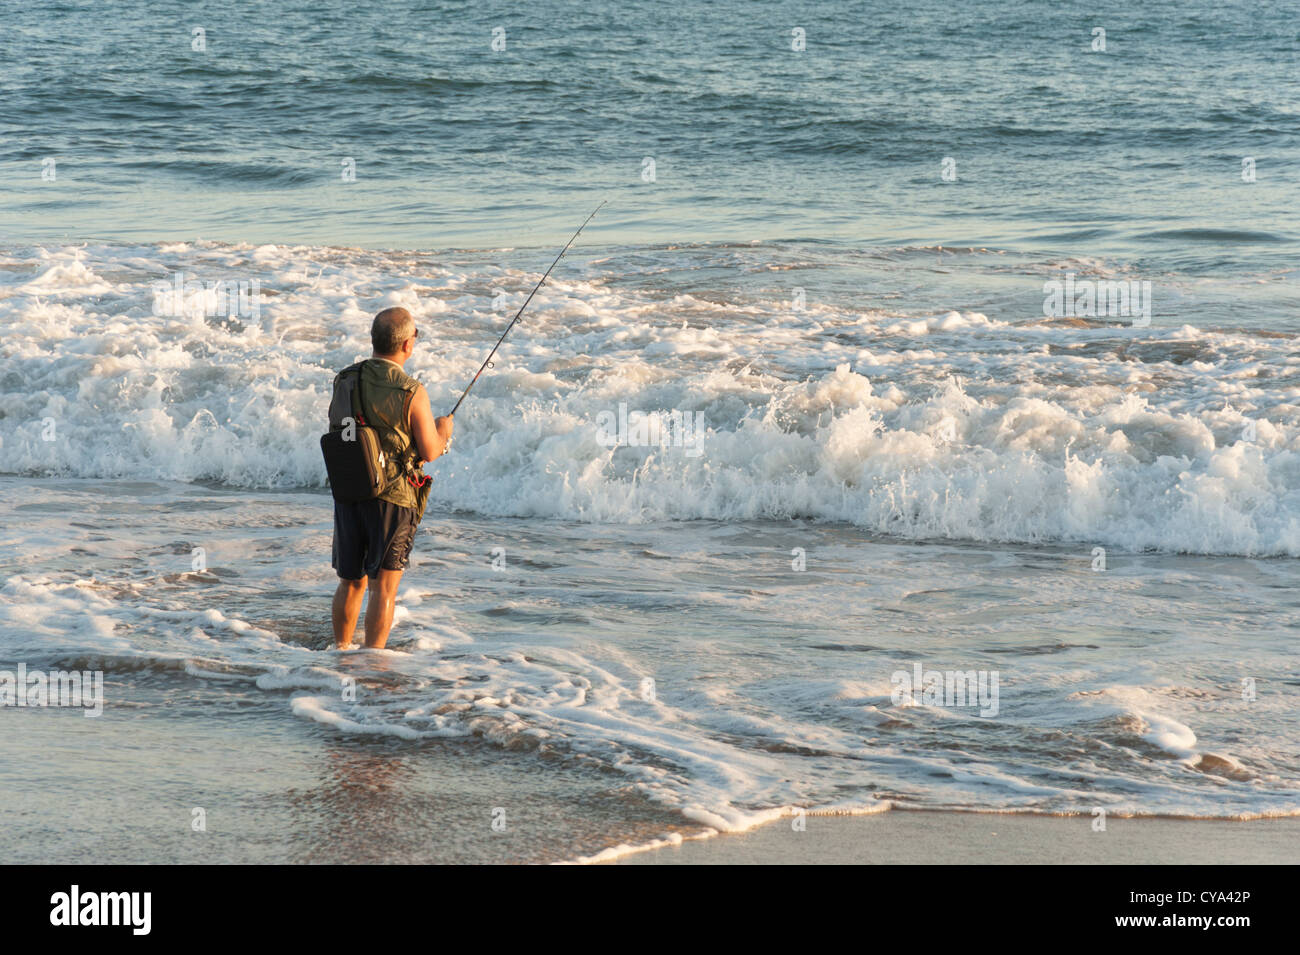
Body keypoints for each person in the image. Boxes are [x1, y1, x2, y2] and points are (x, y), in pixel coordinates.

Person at [329, 307, 453, 650]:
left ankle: (340, 651)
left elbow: (340, 428)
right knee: (383, 585)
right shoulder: (412, 390)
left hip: (350, 488)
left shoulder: (345, 379)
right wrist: (444, 431)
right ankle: (373, 660)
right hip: (393, 498)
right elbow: (429, 451)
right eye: (415, 336)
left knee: (349, 581)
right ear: (406, 346)